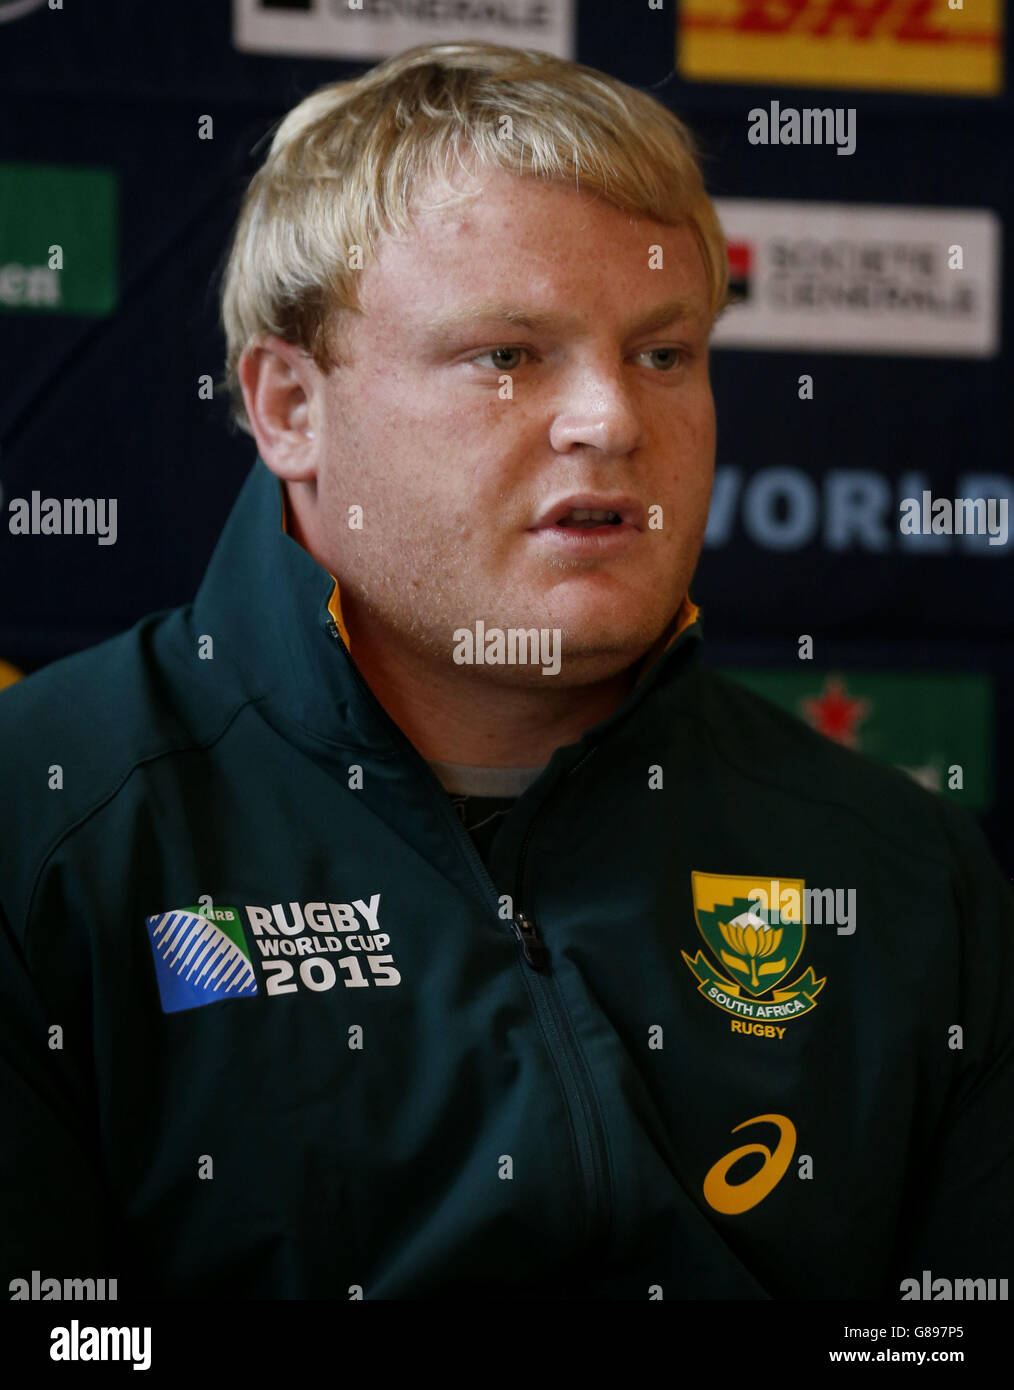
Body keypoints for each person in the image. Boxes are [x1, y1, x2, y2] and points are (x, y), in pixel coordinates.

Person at [2, 41, 1011, 1302]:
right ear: (289, 408)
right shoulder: (40, 820)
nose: (613, 420)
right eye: (508, 355)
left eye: (663, 354)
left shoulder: (909, 874)